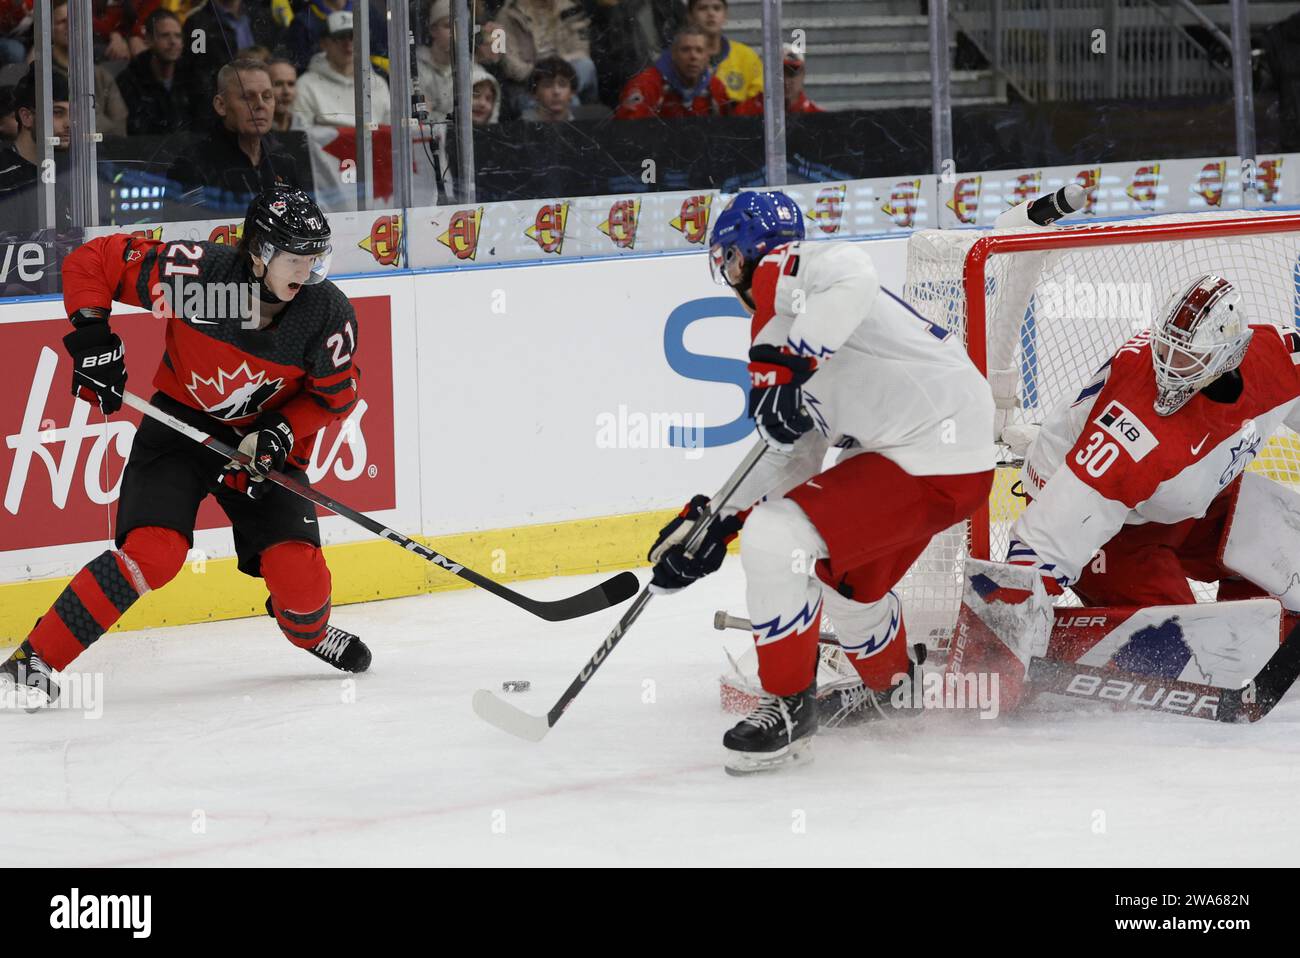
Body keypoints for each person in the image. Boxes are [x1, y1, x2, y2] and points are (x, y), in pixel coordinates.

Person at [646, 191, 996, 774]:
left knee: (776, 537)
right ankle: (895, 692)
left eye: (729, 259)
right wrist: (715, 519)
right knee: (844, 581)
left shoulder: (782, 275)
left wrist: (790, 364)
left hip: (932, 452)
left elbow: (854, 272)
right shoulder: (788, 324)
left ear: (742, 253)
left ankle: (786, 708)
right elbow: (795, 453)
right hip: (931, 461)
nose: (731, 274)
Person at [0, 185, 369, 710]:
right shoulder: (197, 278)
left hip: (259, 448)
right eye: (294, 258)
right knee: (154, 554)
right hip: (179, 431)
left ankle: (309, 634)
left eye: (316, 259)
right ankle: (30, 662)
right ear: (260, 252)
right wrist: (91, 337)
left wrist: (281, 433)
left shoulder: (325, 316)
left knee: (299, 578)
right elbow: (92, 260)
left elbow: (334, 400)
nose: (307, 272)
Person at [1007, 275, 1300, 609]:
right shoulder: (1135, 430)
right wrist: (1011, 608)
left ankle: (1267, 645)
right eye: (1164, 348)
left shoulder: (1277, 356)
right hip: (1103, 521)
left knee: (1290, 556)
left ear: (1230, 354)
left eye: (1187, 358)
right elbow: (1050, 535)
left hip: (1180, 498)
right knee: (1181, 646)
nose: (1169, 368)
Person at [166, 58, 302, 220]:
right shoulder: (191, 165)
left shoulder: (283, 162)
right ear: (221, 105)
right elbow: (184, 235)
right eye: (247, 97)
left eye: (267, 96)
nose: (260, 105)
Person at [176, 0, 285, 118]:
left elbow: (278, 62)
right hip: (222, 113)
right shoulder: (197, 24)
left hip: (265, 107)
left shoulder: (263, 16)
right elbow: (197, 76)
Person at [0, 67, 71, 233]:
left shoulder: (72, 171)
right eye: (58, 113)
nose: (69, 123)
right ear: (26, 117)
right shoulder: (4, 176)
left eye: (73, 113)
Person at [292, 10, 392, 128]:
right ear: (324, 43)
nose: (348, 44)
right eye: (340, 37)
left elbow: (389, 134)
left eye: (353, 36)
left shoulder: (378, 84)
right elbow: (301, 137)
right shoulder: (305, 86)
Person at [44, 0, 130, 136]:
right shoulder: (43, 74)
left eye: (75, 20)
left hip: (103, 150)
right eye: (63, 21)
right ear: (50, 29)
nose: (70, 26)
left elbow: (119, 126)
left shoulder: (100, 75)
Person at [614, 25, 728, 119]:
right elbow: (627, 131)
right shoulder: (645, 85)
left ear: (707, 57)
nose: (693, 56)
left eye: (699, 50)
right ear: (673, 54)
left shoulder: (716, 88)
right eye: (685, 50)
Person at [498, 0, 597, 107]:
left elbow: (582, 51)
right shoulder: (509, 14)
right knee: (572, 102)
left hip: (565, 71)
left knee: (586, 66)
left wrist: (557, 67)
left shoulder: (571, 8)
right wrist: (543, 72)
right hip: (529, 83)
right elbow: (512, 67)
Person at [116, 8, 193, 136]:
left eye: (178, 36)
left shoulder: (191, 76)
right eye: (165, 35)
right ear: (149, 39)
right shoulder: (130, 80)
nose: (173, 42)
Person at [282, 0, 389, 76]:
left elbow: (383, 52)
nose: (348, 43)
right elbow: (300, 67)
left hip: (363, 82)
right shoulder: (303, 21)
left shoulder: (366, 10)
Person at [687, 0, 759, 103]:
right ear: (690, 16)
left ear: (725, 16)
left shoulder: (747, 57)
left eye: (717, 8)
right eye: (703, 8)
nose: (711, 13)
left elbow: (759, 104)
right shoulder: (678, 58)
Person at [734, 43, 821, 116]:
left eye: (792, 74)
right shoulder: (744, 111)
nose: (786, 81)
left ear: (803, 74)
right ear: (766, 75)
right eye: (778, 74)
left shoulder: (816, 115)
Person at [522, 55, 576, 122]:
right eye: (547, 85)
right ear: (534, 93)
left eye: (562, 85)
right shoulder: (523, 127)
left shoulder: (582, 126)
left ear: (572, 92)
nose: (556, 91)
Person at [267, 57, 300, 132]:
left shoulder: (305, 128)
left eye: (291, 84)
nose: (286, 92)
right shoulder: (251, 132)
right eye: (278, 84)